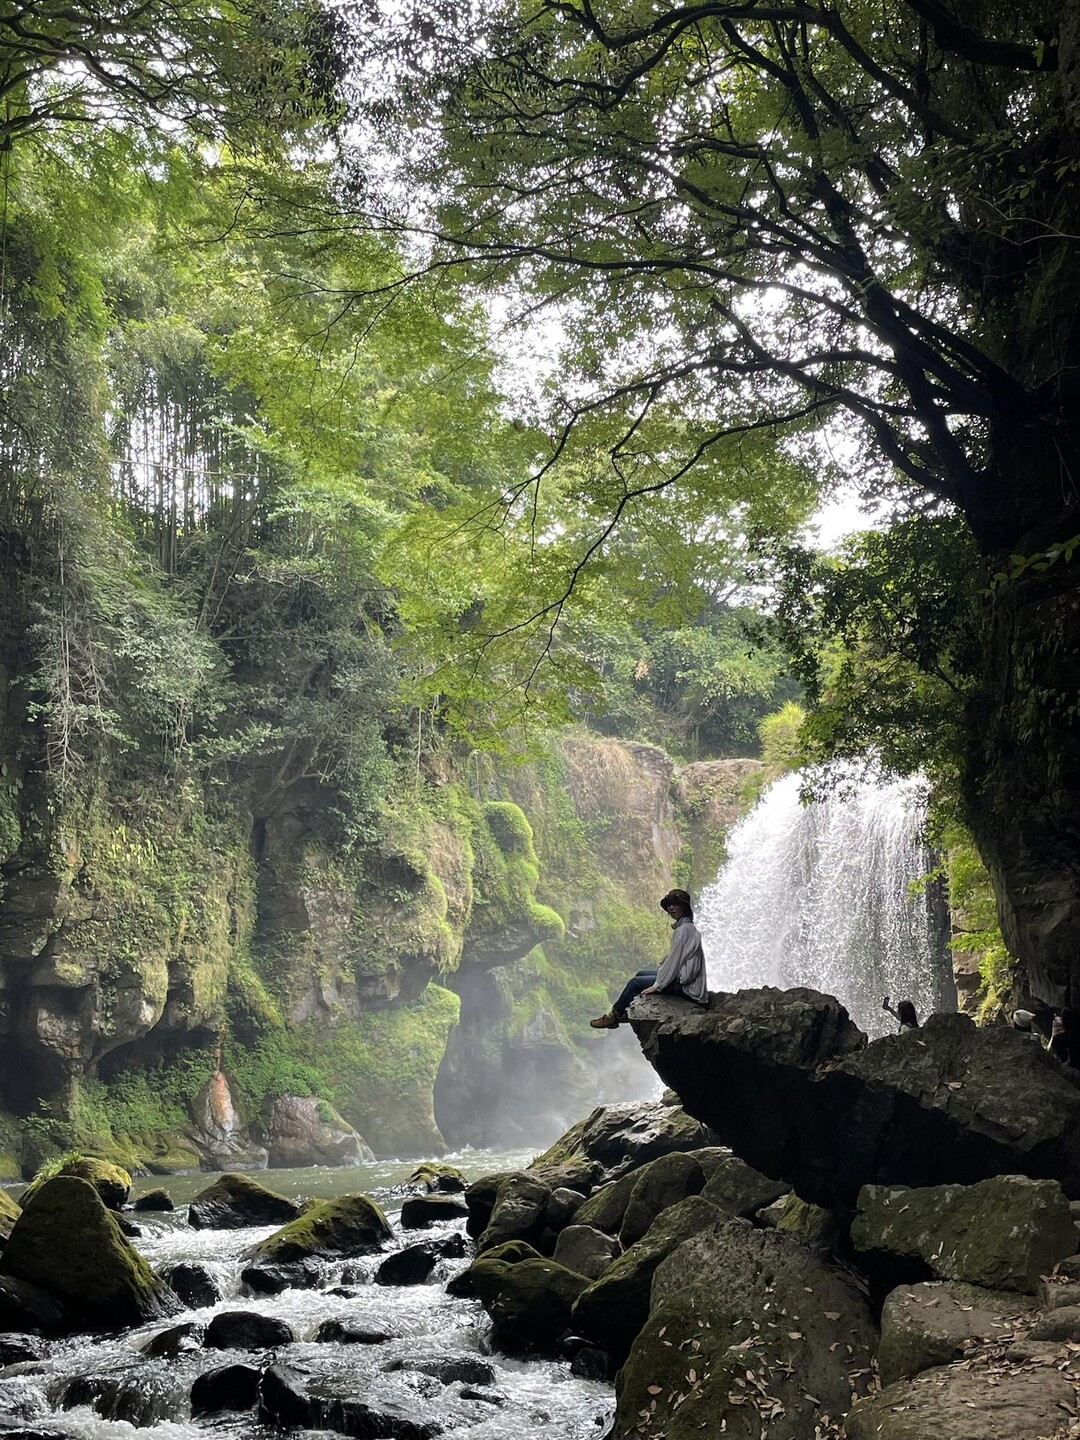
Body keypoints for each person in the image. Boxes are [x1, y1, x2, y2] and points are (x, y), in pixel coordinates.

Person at [590, 889, 708, 1029]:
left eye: (675, 904)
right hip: (686, 981)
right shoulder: (687, 928)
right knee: (641, 974)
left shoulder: (683, 931)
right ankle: (625, 1012)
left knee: (635, 983)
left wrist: (657, 985)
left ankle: (613, 1017)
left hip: (687, 988)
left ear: (684, 907)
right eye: (669, 905)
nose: (671, 908)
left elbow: (673, 963)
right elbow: (676, 961)